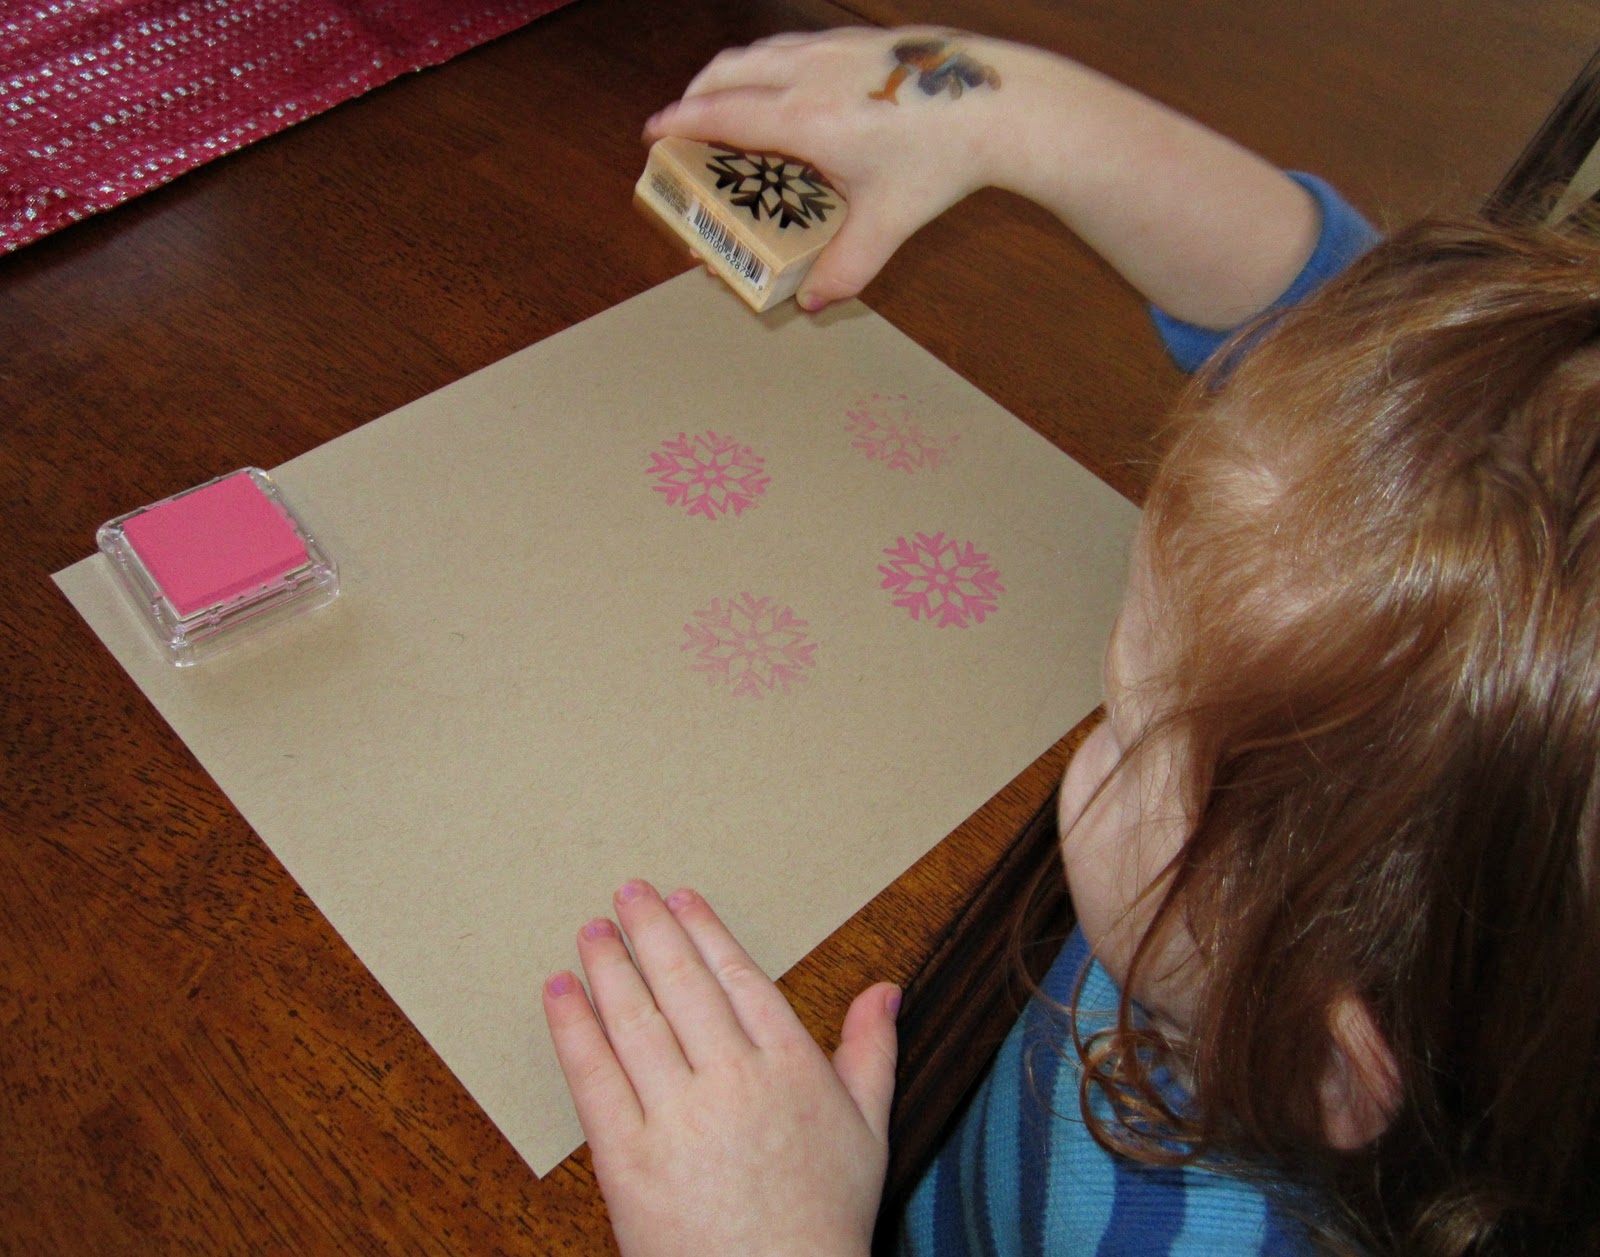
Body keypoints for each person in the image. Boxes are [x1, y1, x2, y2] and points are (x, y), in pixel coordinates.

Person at [541, 27, 1600, 1257]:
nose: (1089, 733)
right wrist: (995, 112)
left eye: (1138, 731)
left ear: (1323, 1058)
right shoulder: (1322, 963)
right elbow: (1318, 310)